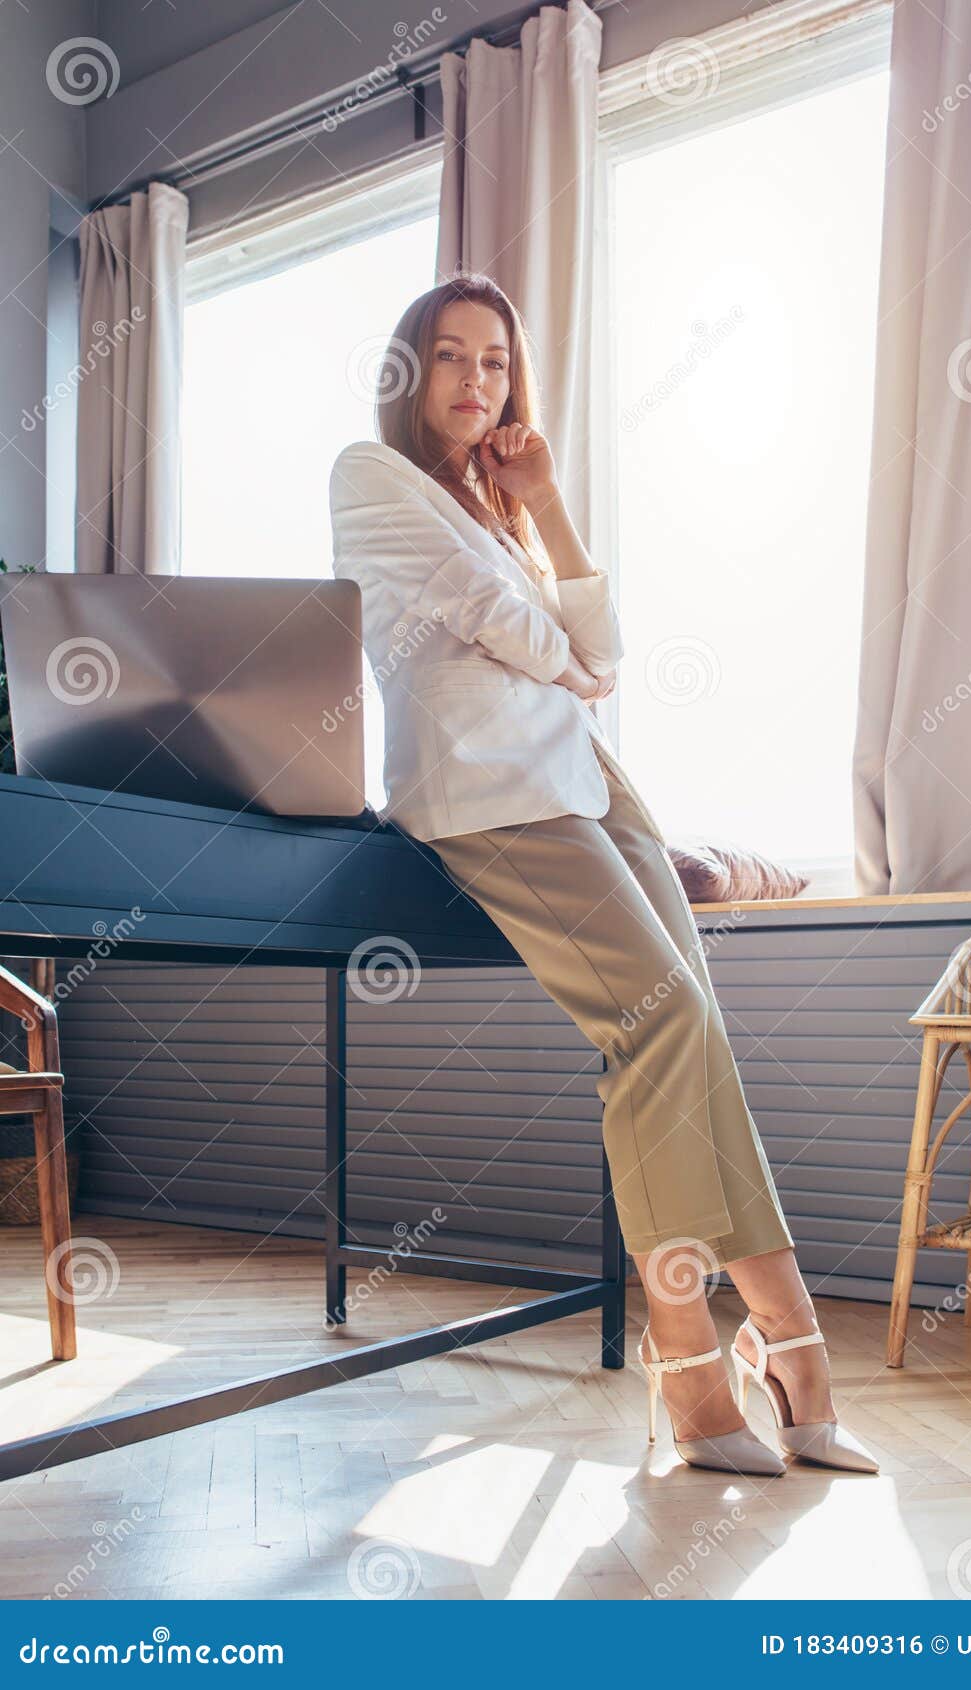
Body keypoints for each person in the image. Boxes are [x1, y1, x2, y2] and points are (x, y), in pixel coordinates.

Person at [329, 272, 878, 1477]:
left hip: (588, 778)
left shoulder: (501, 510)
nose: (477, 380)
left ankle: (790, 1341)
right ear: (409, 370)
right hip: (486, 790)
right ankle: (687, 1360)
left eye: (496, 361)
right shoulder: (372, 478)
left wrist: (546, 503)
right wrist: (571, 660)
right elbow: (507, 623)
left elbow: (601, 650)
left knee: (699, 1032)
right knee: (659, 1023)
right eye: (451, 355)